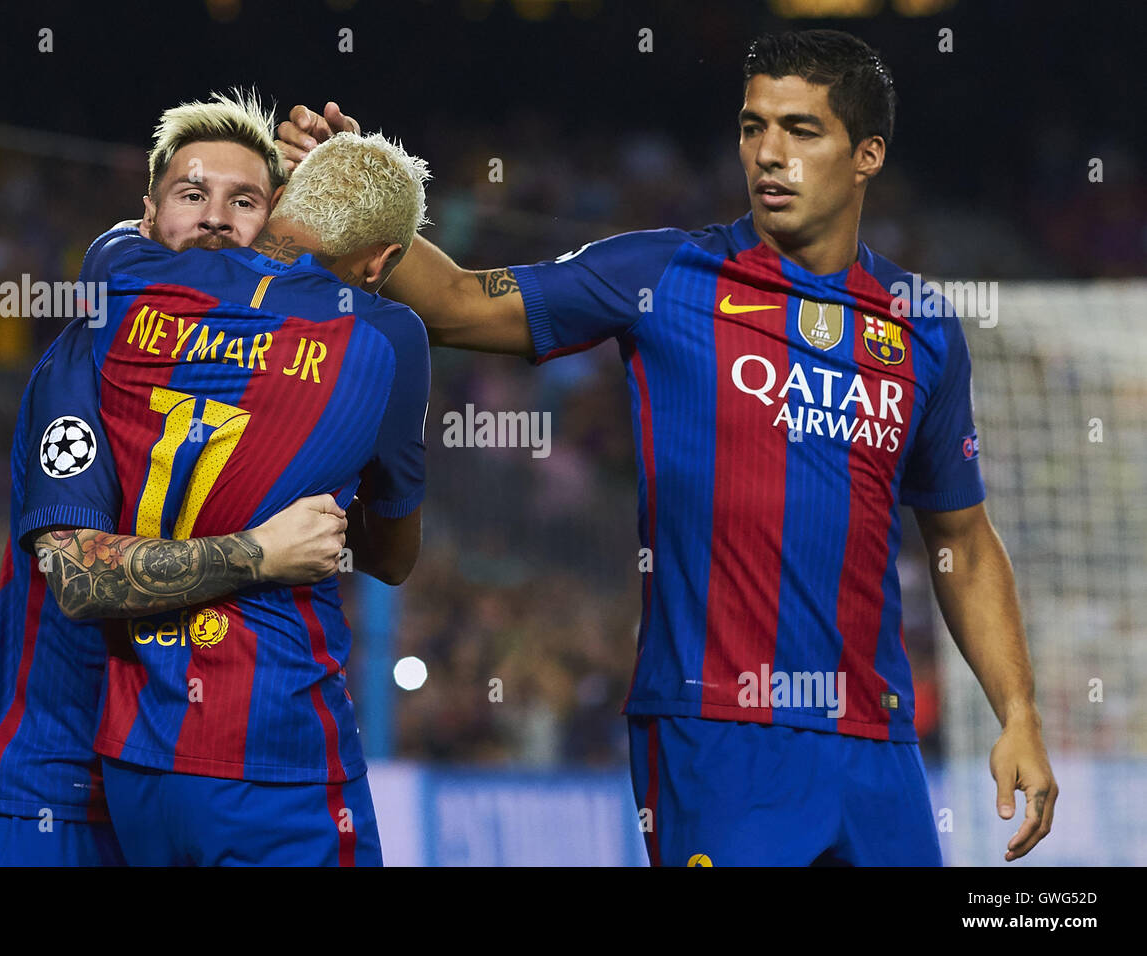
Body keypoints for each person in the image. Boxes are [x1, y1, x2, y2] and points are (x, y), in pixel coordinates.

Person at [280, 29, 1058, 865]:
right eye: (753, 127)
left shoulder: (920, 327)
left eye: (801, 130)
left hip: (878, 745)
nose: (769, 154)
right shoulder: (664, 275)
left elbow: (962, 538)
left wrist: (1017, 712)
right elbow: (458, 304)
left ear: (867, 154)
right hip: (715, 735)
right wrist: (350, 196)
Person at [0, 92, 349, 866]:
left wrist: (350, 187)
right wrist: (259, 554)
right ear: (146, 219)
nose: (215, 219)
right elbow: (77, 573)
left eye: (244, 202)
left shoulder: (279, 387)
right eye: (191, 195)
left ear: (275, 230)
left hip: (186, 795)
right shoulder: (85, 362)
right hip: (54, 796)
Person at [73, 124, 430, 867]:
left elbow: (116, 239)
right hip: (279, 752)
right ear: (383, 261)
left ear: (279, 203)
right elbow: (394, 558)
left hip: (139, 751)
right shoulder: (389, 337)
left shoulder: (125, 277)